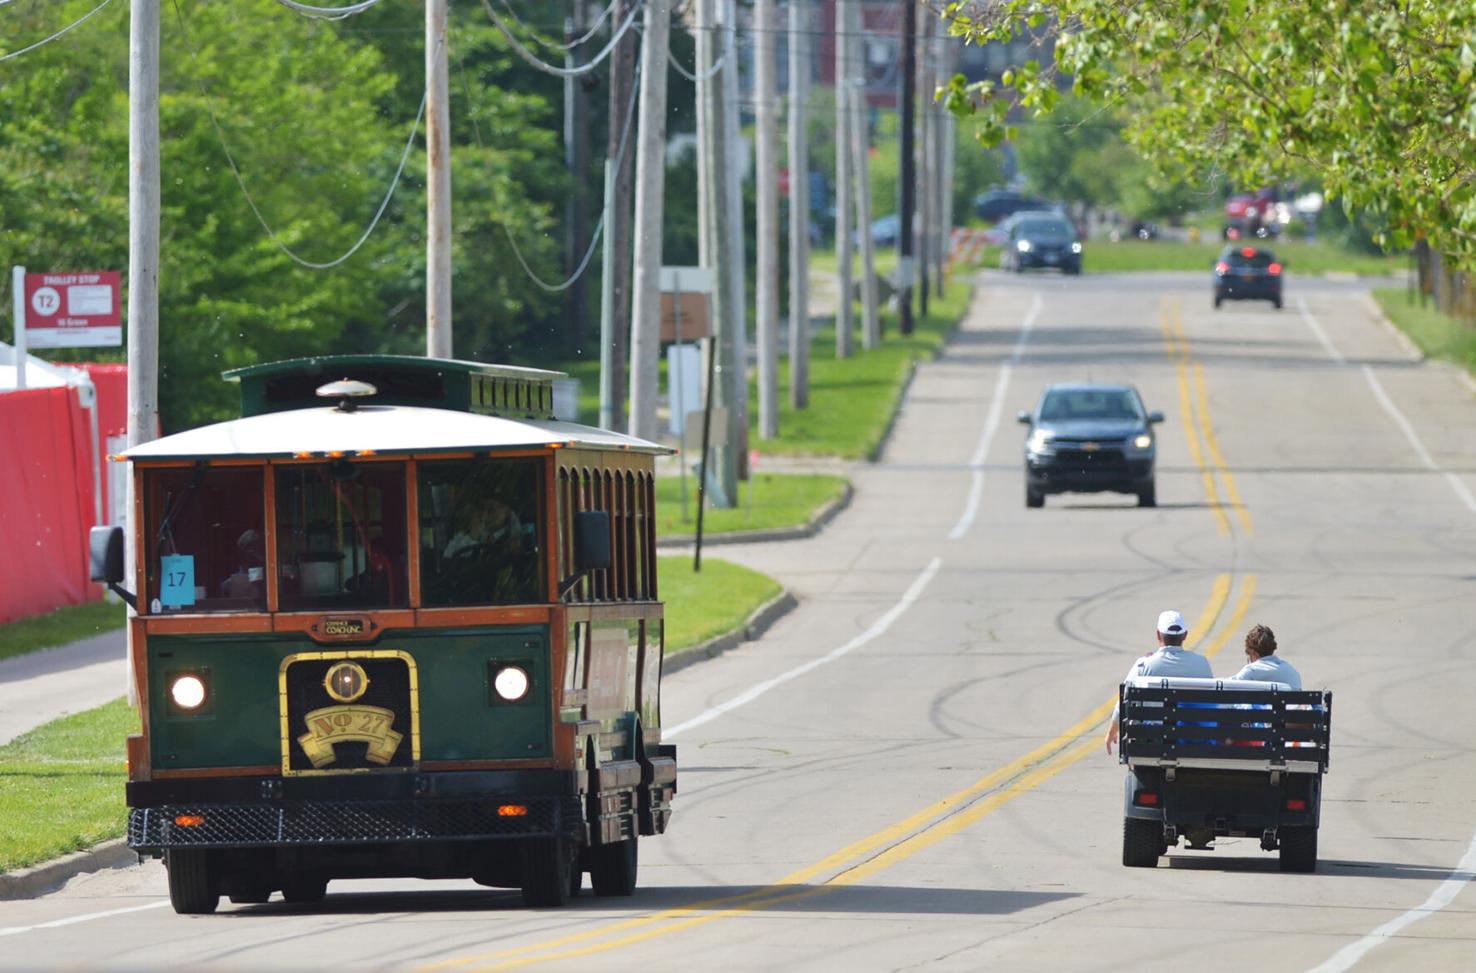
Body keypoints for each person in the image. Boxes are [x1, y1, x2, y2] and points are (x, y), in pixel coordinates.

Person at [1104, 610, 1213, 754]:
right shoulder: (1202, 663)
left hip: (1155, 742)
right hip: (1194, 741)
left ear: (1158, 635)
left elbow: (1124, 700)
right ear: (1185, 635)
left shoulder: (1144, 665)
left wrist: (1111, 732)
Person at [1230, 623, 1301, 689]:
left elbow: (1229, 687)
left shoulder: (1251, 671)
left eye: (1248, 653)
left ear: (1253, 652)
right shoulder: (1291, 672)